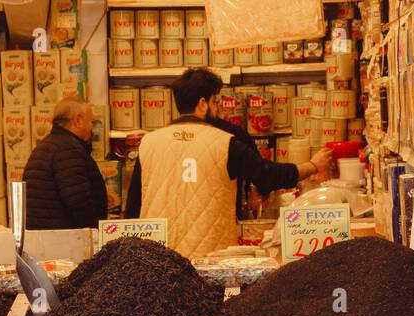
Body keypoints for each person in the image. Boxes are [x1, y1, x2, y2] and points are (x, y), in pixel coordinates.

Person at [124, 68, 332, 258]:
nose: (219, 109)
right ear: (203, 103)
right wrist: (312, 166)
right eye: (216, 102)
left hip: (157, 257)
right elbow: (267, 175)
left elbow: (134, 206)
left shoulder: (149, 142)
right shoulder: (224, 142)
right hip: (210, 257)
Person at [24, 97, 109, 230]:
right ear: (78, 120)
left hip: (46, 238)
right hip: (66, 240)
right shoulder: (68, 149)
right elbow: (79, 202)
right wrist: (95, 229)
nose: (91, 127)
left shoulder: (47, 145)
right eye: (90, 122)